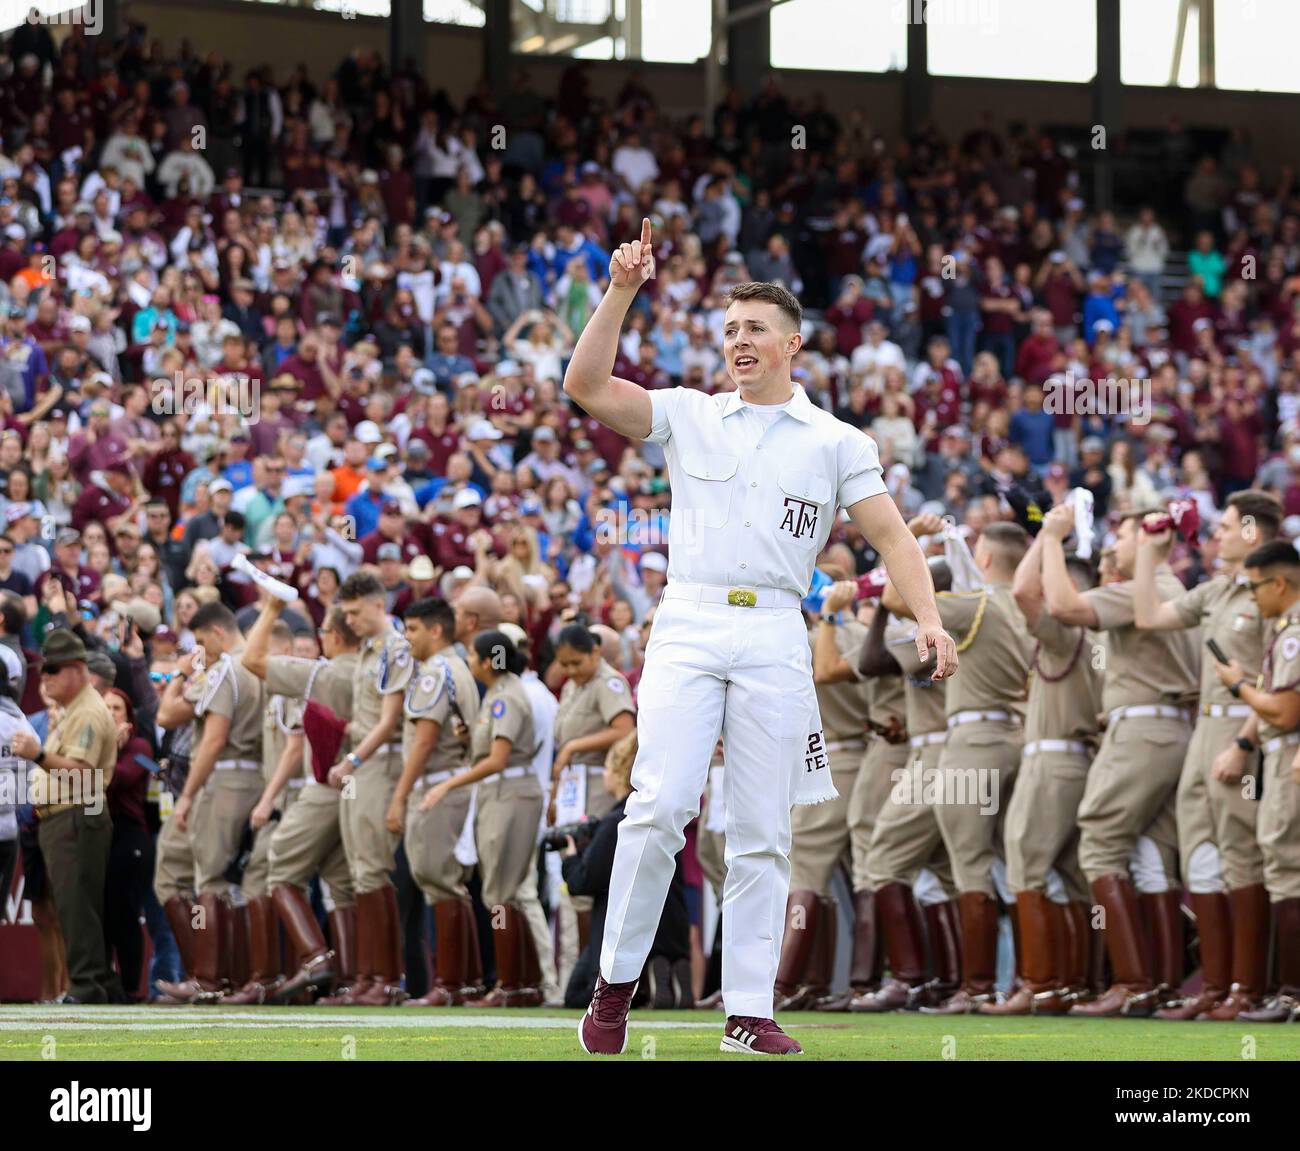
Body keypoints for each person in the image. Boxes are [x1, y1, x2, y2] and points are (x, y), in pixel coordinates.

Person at [562, 219, 956, 1057]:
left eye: (753, 330)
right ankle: (614, 983)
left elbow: (893, 538)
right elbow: (587, 384)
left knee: (764, 828)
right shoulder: (690, 414)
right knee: (662, 802)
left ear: (792, 344)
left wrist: (927, 617)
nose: (738, 341)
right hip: (691, 617)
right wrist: (622, 289)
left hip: (778, 624)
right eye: (730, 330)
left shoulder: (838, 442)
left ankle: (747, 1008)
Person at [1039, 507, 1200, 1017]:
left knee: (1101, 843)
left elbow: (1061, 605)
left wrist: (1050, 537)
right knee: (1152, 857)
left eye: (1124, 533)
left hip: (1141, 731)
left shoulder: (1144, 588)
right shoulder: (1179, 591)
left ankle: (1132, 983)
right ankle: (1164, 985)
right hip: (1173, 728)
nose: (1116, 541)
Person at [1133, 491, 1279, 1021]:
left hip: (1241, 734)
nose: (1214, 535)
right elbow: (1148, 616)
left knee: (1242, 858)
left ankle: (1249, 988)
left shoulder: (1273, 592)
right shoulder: (1216, 592)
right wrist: (1152, 552)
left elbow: (1278, 679)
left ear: (1251, 532)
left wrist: (1245, 743)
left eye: (1224, 526)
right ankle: (1215, 989)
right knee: (1201, 858)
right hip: (1203, 736)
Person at [885, 518, 1033, 1015]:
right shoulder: (1021, 603)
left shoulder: (977, 602)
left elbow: (892, 598)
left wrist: (913, 540)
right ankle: (1035, 982)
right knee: (1018, 865)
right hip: (1016, 734)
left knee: (970, 863)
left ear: (984, 558)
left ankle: (978, 986)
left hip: (973, 740)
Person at [852, 559, 961, 1013]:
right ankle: (949, 981)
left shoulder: (943, 624)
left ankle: (908, 980)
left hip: (937, 756)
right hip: (940, 751)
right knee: (941, 869)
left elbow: (869, 660)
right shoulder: (941, 626)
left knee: (884, 860)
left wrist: (880, 600)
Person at [1001, 536, 1103, 1014]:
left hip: (1052, 762)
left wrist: (1049, 533)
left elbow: (1022, 590)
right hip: (1073, 760)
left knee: (1026, 866)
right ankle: (1072, 984)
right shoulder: (1086, 638)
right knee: (1069, 873)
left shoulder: (1066, 630)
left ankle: (1039, 985)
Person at [245, 600, 360, 1004]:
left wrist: (273, 605)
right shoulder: (368, 670)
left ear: (335, 637)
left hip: (327, 784)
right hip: (356, 783)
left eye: (324, 633)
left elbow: (252, 658)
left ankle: (316, 959)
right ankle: (355, 981)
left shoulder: (321, 674)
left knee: (280, 864)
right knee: (342, 883)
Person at [153, 603, 265, 1003]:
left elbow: (208, 737)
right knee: (205, 880)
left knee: (211, 883)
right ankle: (215, 976)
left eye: (202, 642)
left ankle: (210, 979)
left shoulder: (226, 670)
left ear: (218, 633)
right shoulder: (251, 666)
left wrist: (186, 797)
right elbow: (168, 715)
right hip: (247, 776)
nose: (202, 650)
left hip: (223, 779)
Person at [428, 629, 544, 1006]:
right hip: (502, 792)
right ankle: (525, 983)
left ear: (488, 659)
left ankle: (509, 985)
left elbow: (497, 759)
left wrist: (448, 785)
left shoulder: (504, 697)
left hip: (508, 792)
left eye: (474, 656)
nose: (469, 662)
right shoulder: (497, 694)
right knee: (503, 891)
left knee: (499, 894)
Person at [774, 574, 874, 1011]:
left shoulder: (811, 638)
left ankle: (783, 983)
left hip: (828, 757)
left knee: (807, 870)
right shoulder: (867, 632)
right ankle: (817, 984)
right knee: (839, 878)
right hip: (865, 754)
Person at [1212, 541, 1300, 1023]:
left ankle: (1291, 994)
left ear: (1279, 583)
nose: (1251, 597)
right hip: (1283, 754)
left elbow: (1285, 712)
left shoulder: (1292, 633)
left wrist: (1239, 685)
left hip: (1288, 754)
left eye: (1255, 586)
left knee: (1286, 870)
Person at [13, 629, 121, 1004]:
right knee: (75, 905)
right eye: (44, 670)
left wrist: (37, 753)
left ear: (78, 670)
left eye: (55, 670)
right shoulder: (75, 710)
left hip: (75, 813)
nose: (46, 678)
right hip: (66, 816)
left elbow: (80, 771)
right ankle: (96, 983)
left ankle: (87, 985)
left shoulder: (88, 712)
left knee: (76, 907)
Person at [320, 570, 409, 1006]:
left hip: (378, 762)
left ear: (378, 605)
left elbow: (390, 721)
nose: (348, 621)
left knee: (373, 868)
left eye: (355, 613)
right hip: (359, 763)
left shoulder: (395, 648)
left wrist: (352, 758)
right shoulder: (369, 650)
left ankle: (387, 977)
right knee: (359, 869)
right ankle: (367, 976)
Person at [389, 596, 484, 1007]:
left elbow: (425, 740)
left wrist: (398, 797)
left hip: (438, 784)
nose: (406, 638)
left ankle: (450, 984)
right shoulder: (457, 666)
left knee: (438, 878)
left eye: (411, 629)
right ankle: (464, 982)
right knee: (445, 883)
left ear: (435, 630)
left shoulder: (435, 672)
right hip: (451, 782)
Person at [563, 730, 690, 1008]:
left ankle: (635, 985)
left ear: (620, 771)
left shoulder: (616, 824)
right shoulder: (663, 819)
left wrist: (572, 856)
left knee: (577, 994)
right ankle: (666, 972)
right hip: (671, 928)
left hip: (625, 930)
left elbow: (584, 881)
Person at [547, 622, 636, 993]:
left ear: (596, 653)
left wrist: (572, 748)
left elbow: (624, 729)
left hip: (599, 786)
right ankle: (576, 973)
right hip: (572, 789)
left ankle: (589, 976)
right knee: (567, 885)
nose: (569, 671)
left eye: (576, 662)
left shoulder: (608, 682)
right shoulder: (573, 685)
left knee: (587, 879)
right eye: (564, 664)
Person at [221, 618, 303, 1005]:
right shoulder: (274, 693)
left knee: (260, 881)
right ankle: (279, 978)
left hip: (291, 800)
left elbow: (294, 748)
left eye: (265, 652)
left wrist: (267, 798)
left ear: (284, 652)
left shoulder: (289, 692)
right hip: (285, 798)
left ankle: (269, 978)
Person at [102, 687, 156, 1002]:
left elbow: (117, 778)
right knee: (104, 916)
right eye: (105, 708)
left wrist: (109, 749)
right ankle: (108, 984)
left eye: (117, 709)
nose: (110, 714)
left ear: (128, 715)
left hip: (130, 836)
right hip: (102, 835)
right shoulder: (95, 745)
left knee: (126, 915)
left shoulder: (140, 746)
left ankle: (131, 987)